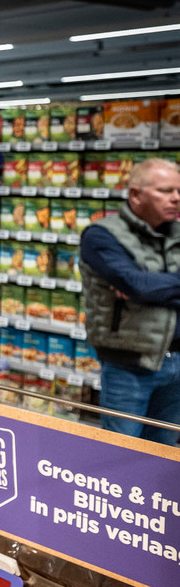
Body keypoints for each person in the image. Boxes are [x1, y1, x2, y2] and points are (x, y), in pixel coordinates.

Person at [80, 157, 180, 445]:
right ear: (136, 195)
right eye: (164, 190)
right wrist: (141, 287)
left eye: (178, 191)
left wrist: (149, 286)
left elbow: (141, 287)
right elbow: (138, 286)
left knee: (163, 453)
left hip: (178, 362)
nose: (175, 198)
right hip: (130, 365)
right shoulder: (102, 235)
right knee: (120, 454)